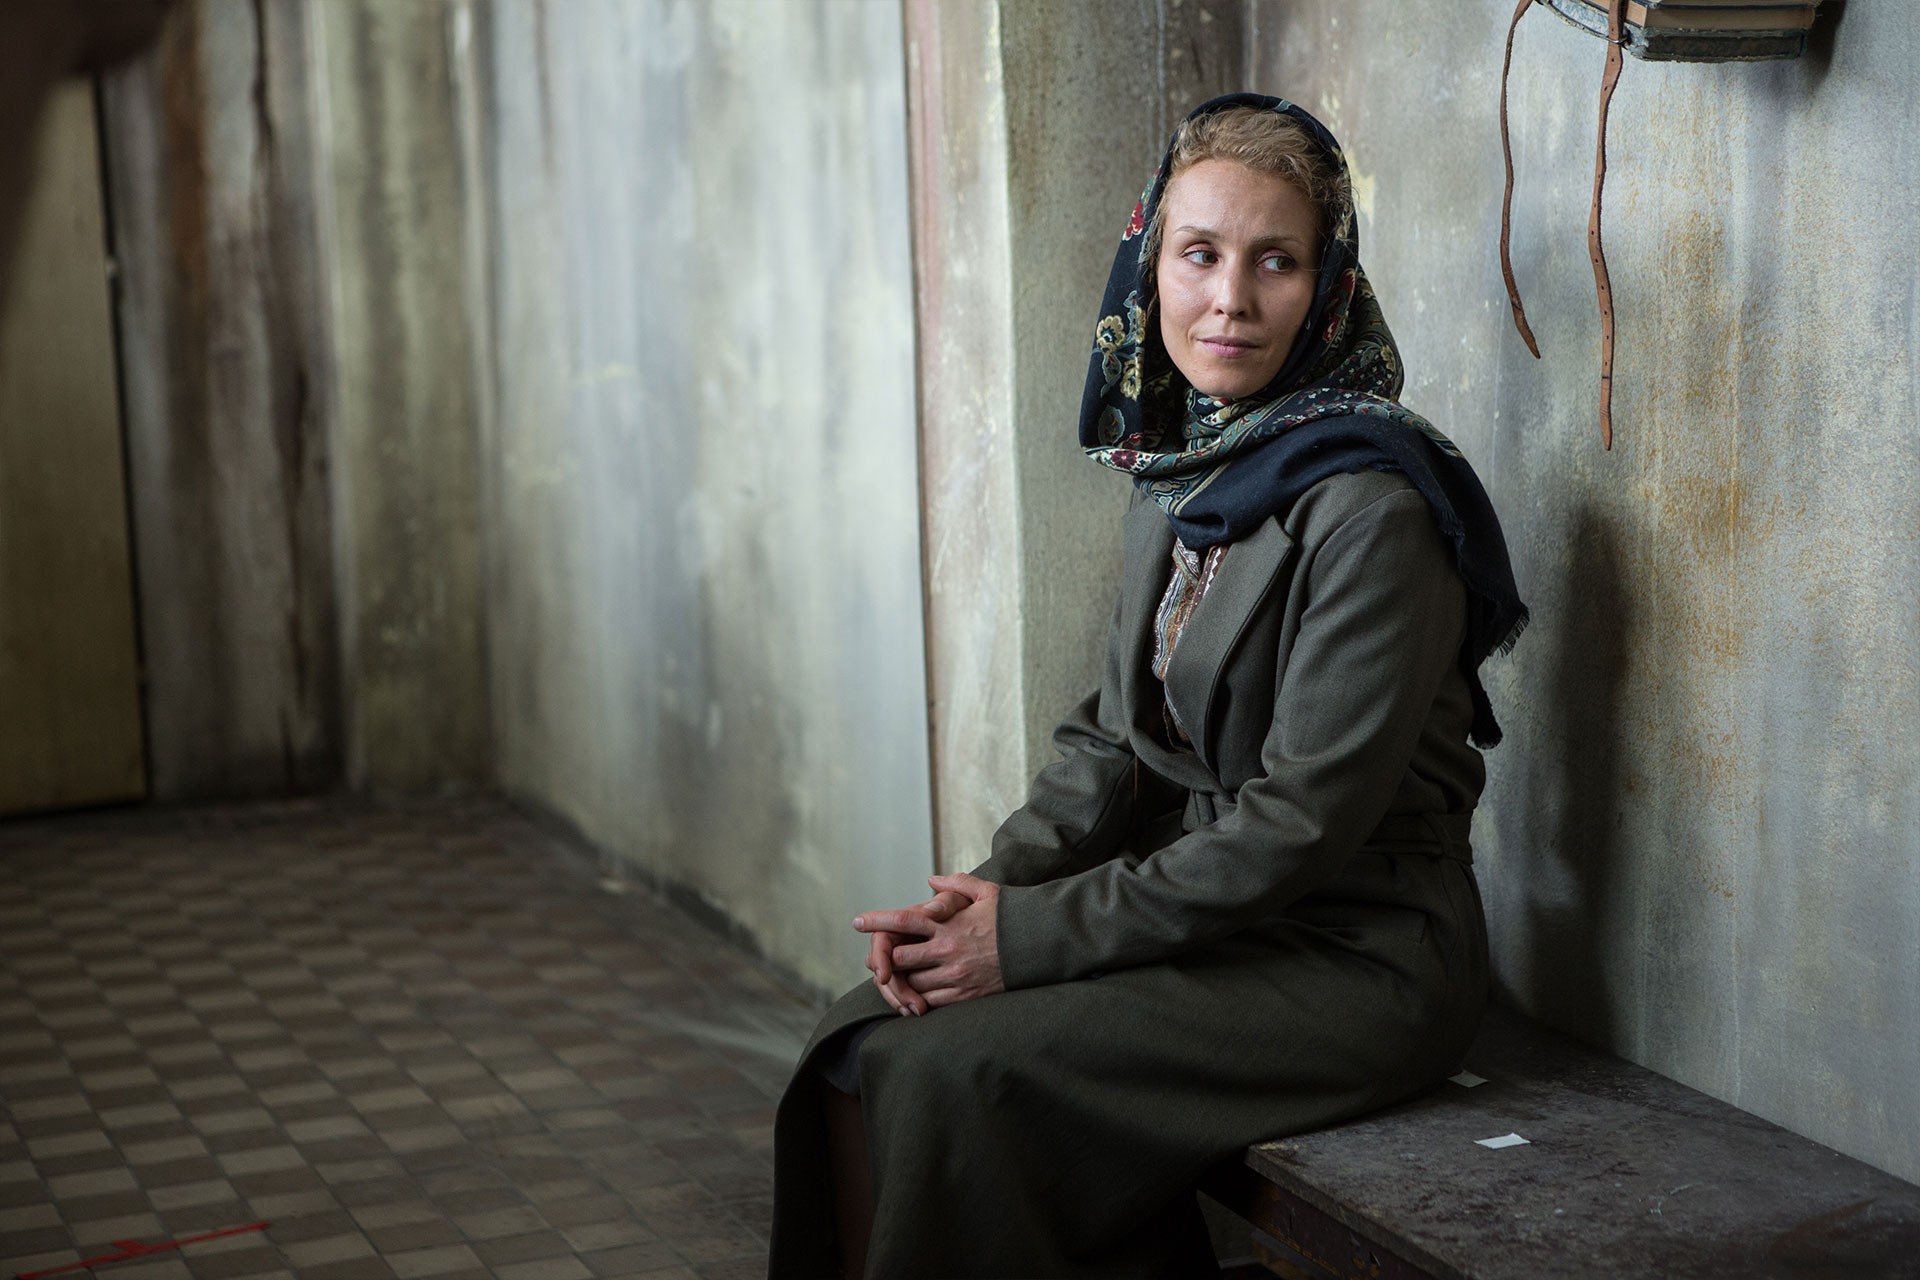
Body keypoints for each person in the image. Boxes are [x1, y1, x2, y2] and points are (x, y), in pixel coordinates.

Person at [767, 92, 1527, 1280]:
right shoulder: (1184, 469)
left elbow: (1297, 827)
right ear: (1151, 265)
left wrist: (1028, 940)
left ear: (1327, 283)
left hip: (1351, 953)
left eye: (1277, 260)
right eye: (1200, 254)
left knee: (956, 1073)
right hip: (1206, 915)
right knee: (862, 1038)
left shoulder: (1376, 507)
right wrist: (982, 896)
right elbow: (1111, 741)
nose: (1231, 298)